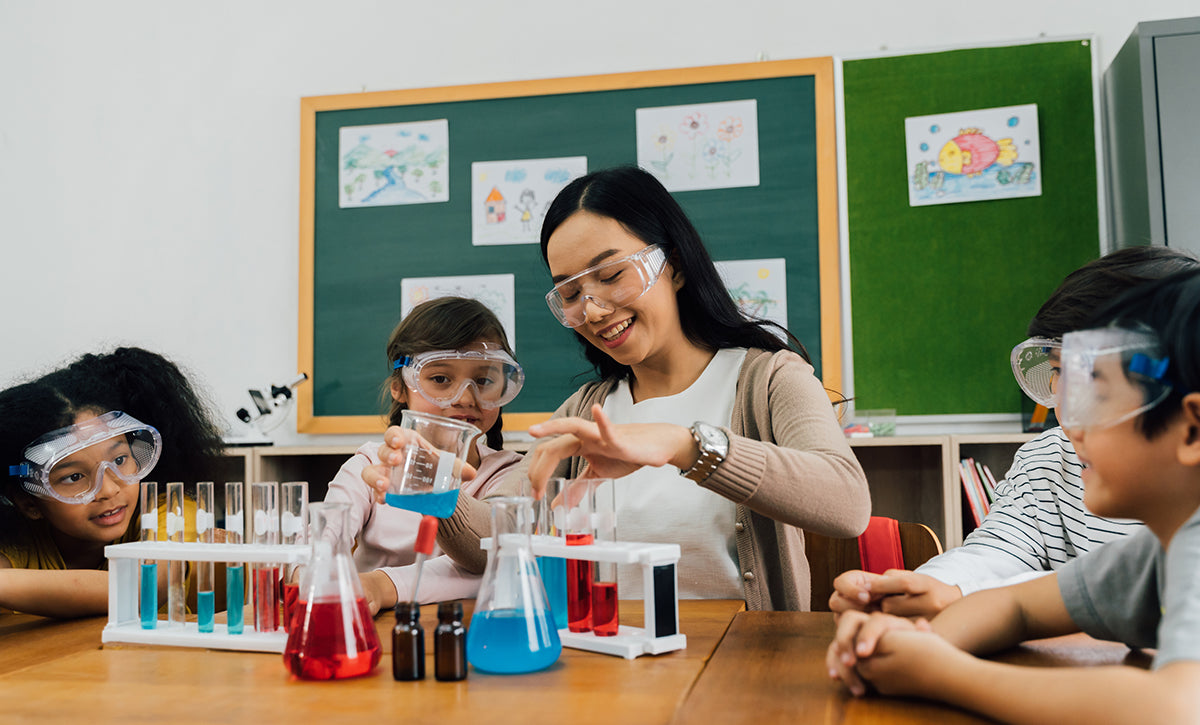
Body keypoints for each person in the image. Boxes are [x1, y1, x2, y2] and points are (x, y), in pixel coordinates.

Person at [364, 166, 870, 610]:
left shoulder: (768, 378)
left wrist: (685, 446)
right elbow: (494, 542)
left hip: (737, 667)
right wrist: (439, 492)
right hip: (602, 664)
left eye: (611, 275)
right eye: (571, 292)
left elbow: (846, 505)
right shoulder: (587, 410)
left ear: (671, 265)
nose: (594, 309)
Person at [827, 268, 1200, 721]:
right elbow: (1014, 604)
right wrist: (913, 638)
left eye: (1094, 392)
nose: (1067, 419)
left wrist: (941, 672)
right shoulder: (1155, 555)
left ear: (1192, 429)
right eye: (1058, 376)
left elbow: (1172, 710)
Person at [322, 296, 525, 614]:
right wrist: (304, 568)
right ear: (399, 387)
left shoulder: (510, 473)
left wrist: (381, 585)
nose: (464, 398)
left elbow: (495, 563)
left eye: (483, 380)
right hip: (376, 627)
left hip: (471, 630)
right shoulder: (370, 467)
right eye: (440, 379)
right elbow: (325, 534)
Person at [0, 347, 226, 617]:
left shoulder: (169, 511)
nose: (109, 489)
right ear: (28, 502)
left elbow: (148, 585)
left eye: (119, 461)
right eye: (74, 477)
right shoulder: (18, 541)